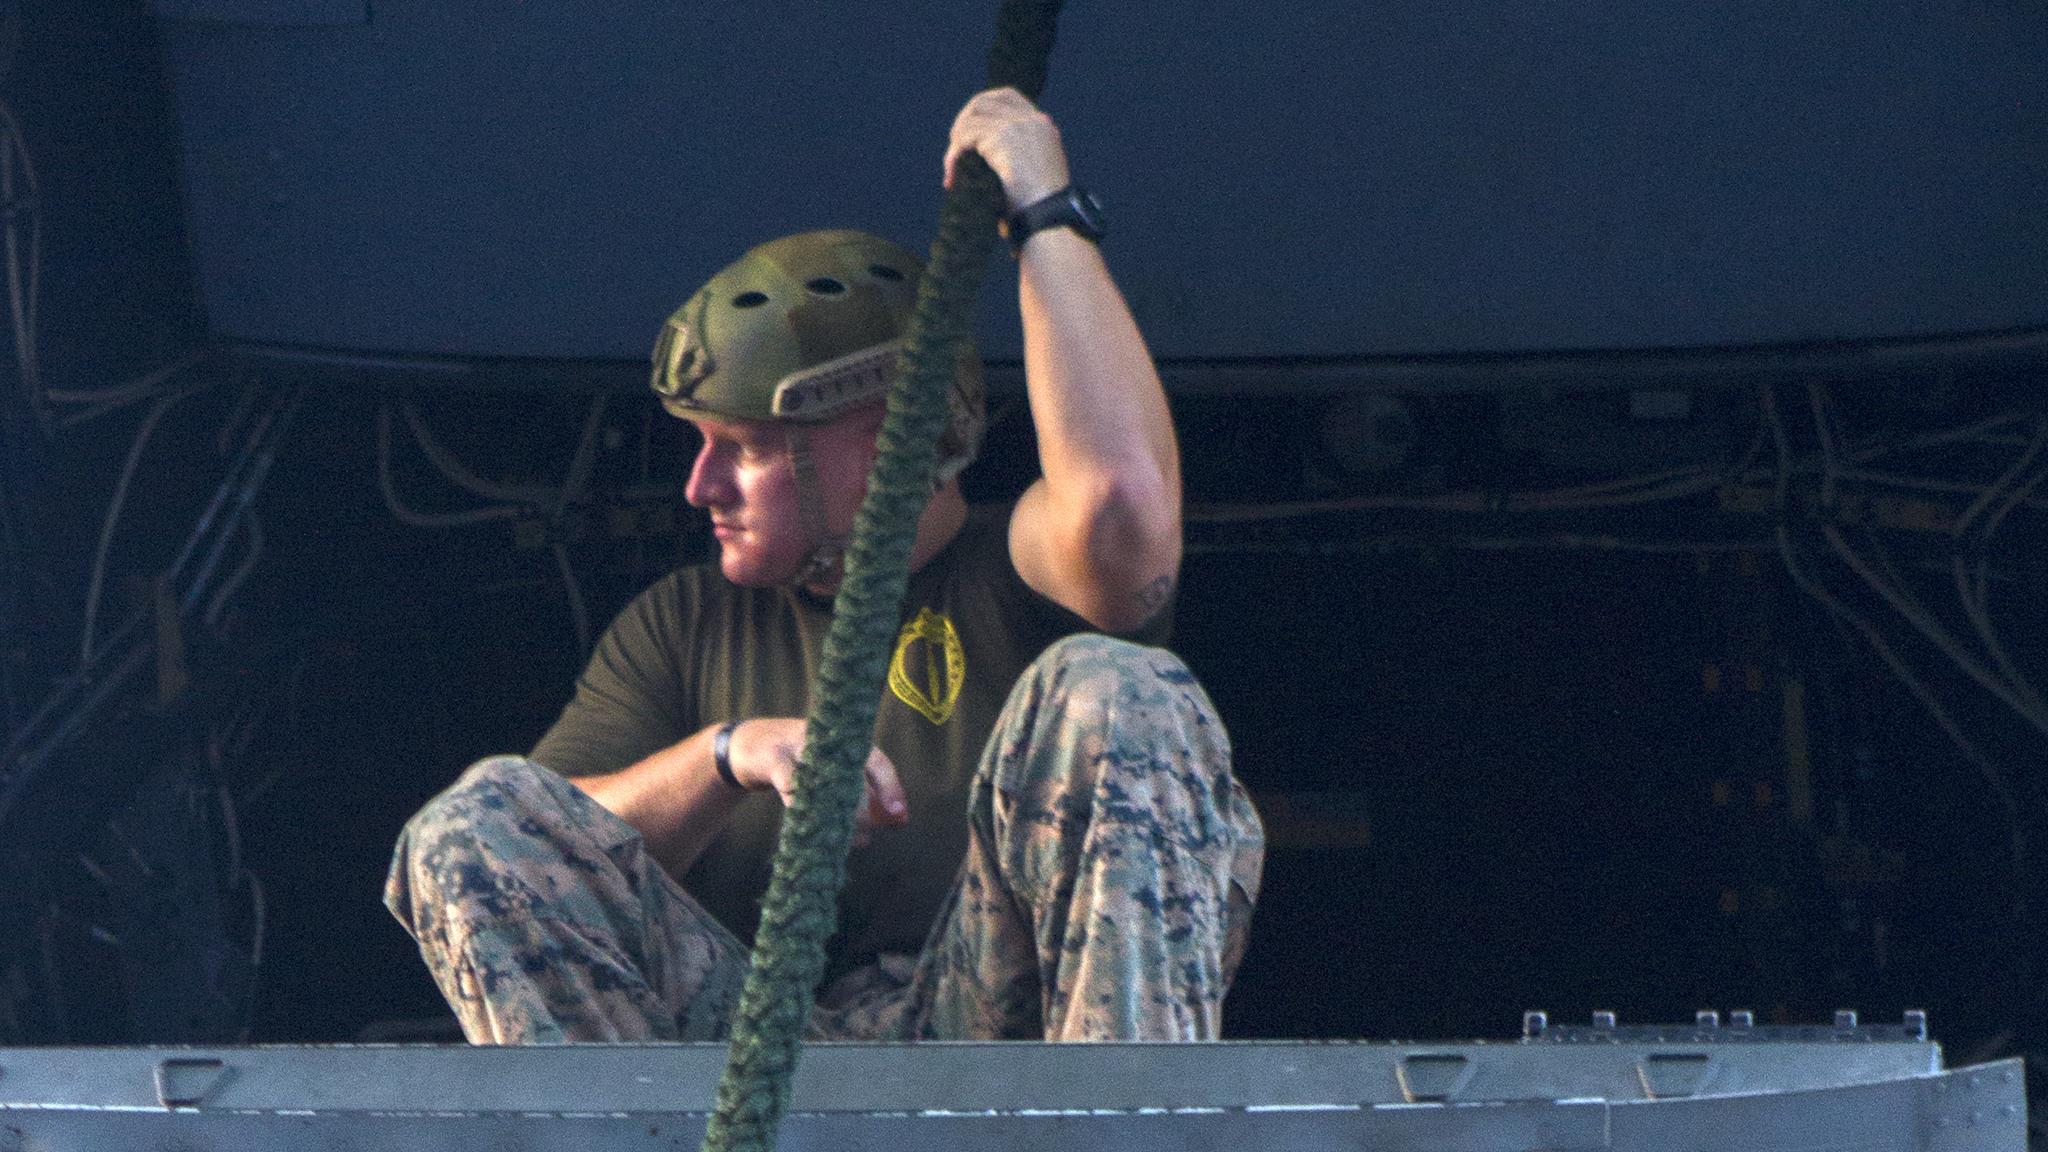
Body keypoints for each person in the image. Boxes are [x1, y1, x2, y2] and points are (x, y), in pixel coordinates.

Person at [385, 88, 1264, 1044]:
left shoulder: (1018, 576)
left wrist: (1044, 214)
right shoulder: (685, 623)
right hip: (751, 1063)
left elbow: (1121, 506)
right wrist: (724, 757)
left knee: (1120, 688)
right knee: (469, 829)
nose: (700, 486)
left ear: (891, 438)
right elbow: (537, 838)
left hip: (990, 1043)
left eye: (747, 447)